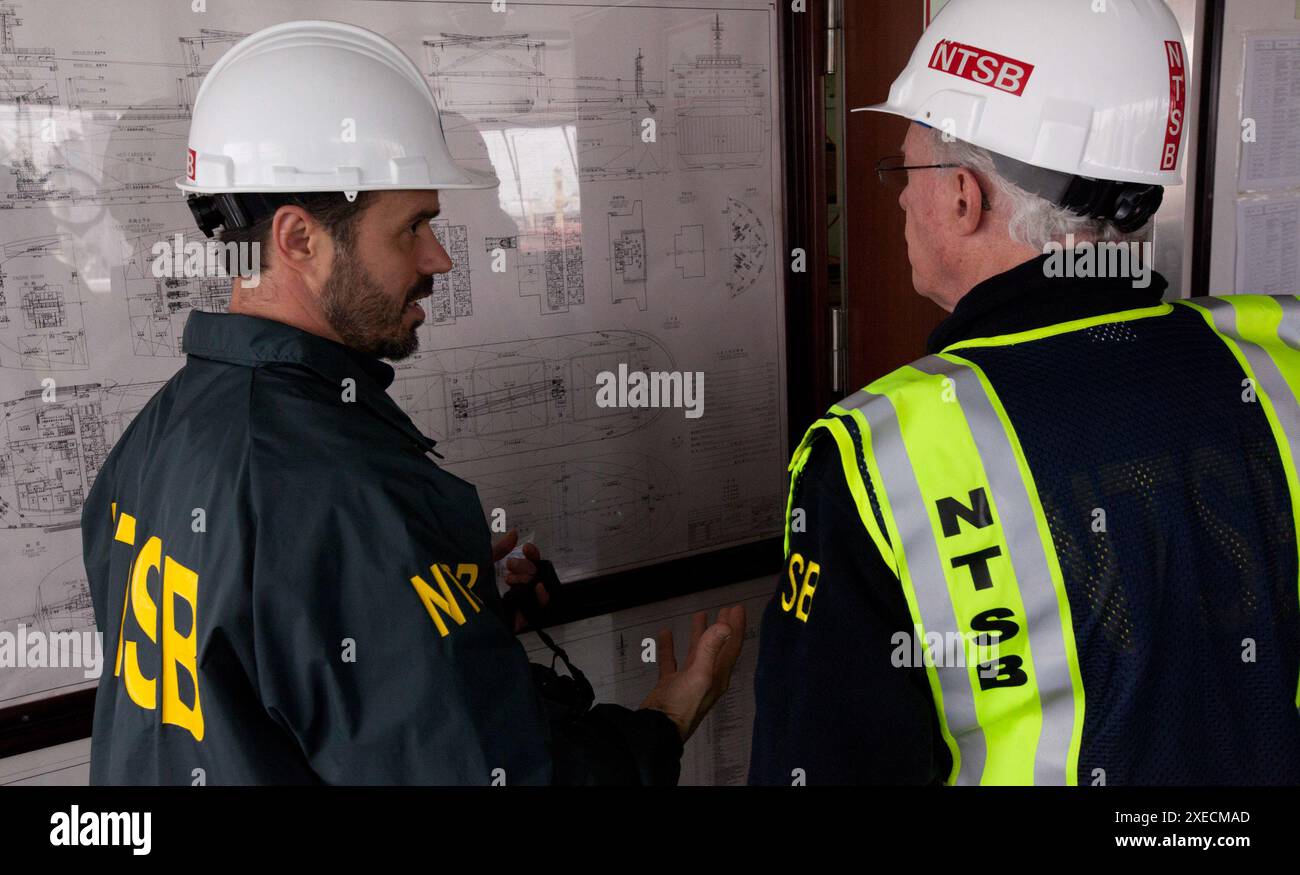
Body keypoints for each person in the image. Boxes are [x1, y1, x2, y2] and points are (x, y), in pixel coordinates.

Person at [82, 19, 745, 785]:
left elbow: (271, 661)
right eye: (413, 227)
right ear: (299, 239)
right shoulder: (339, 490)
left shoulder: (154, 440)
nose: (439, 256)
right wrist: (672, 713)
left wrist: (436, 606)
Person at [750, 0, 1300, 785]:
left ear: (965, 197)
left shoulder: (875, 459)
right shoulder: (1279, 354)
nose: (901, 198)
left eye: (903, 173)